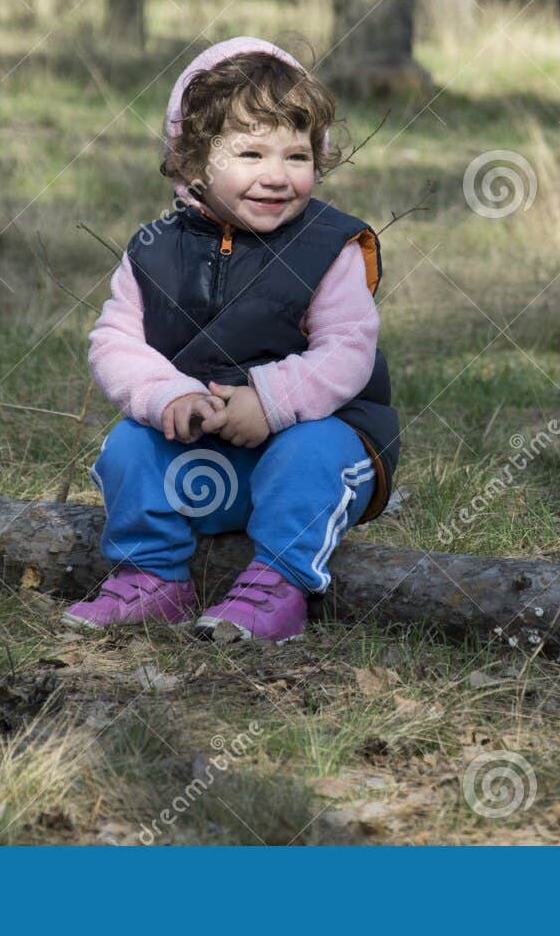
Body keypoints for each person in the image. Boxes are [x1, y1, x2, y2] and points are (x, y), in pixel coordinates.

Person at [62, 37, 400, 643]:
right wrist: (168, 396)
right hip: (208, 463)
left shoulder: (330, 247)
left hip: (318, 451)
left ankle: (277, 583)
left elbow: (348, 351)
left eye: (297, 157)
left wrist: (268, 402)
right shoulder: (154, 250)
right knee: (130, 447)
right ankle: (151, 577)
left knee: (310, 453)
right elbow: (115, 341)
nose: (277, 177)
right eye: (250, 153)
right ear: (193, 163)